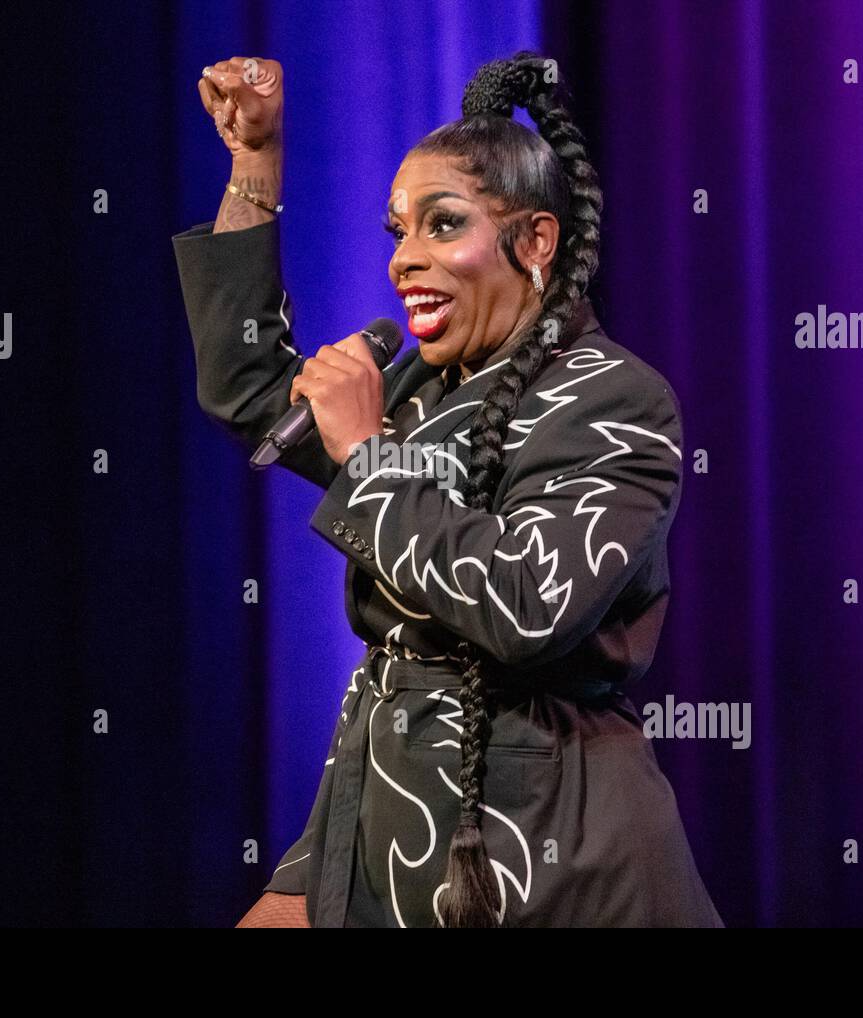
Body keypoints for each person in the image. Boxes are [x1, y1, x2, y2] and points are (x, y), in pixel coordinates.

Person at [174, 52, 724, 928]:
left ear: (536, 242)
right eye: (398, 232)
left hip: (539, 830)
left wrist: (366, 456)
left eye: (441, 225)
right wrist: (256, 163)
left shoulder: (618, 399)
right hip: (382, 797)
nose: (405, 260)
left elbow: (527, 606)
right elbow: (247, 383)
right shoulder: (418, 392)